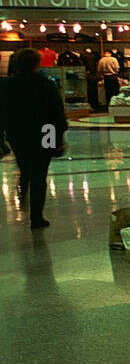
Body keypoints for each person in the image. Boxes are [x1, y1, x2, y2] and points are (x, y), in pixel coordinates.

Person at [0, 48, 67, 230]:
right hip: (45, 132)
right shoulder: (45, 84)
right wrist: (58, 140)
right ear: (38, 64)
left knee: (24, 166)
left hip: (17, 133)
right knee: (40, 175)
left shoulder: (7, 85)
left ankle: (22, 196)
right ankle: (36, 217)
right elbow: (57, 114)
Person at [81, 45, 101, 111]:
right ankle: (94, 105)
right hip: (93, 76)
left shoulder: (83, 55)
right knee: (93, 91)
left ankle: (92, 105)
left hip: (89, 76)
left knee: (90, 91)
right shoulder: (94, 55)